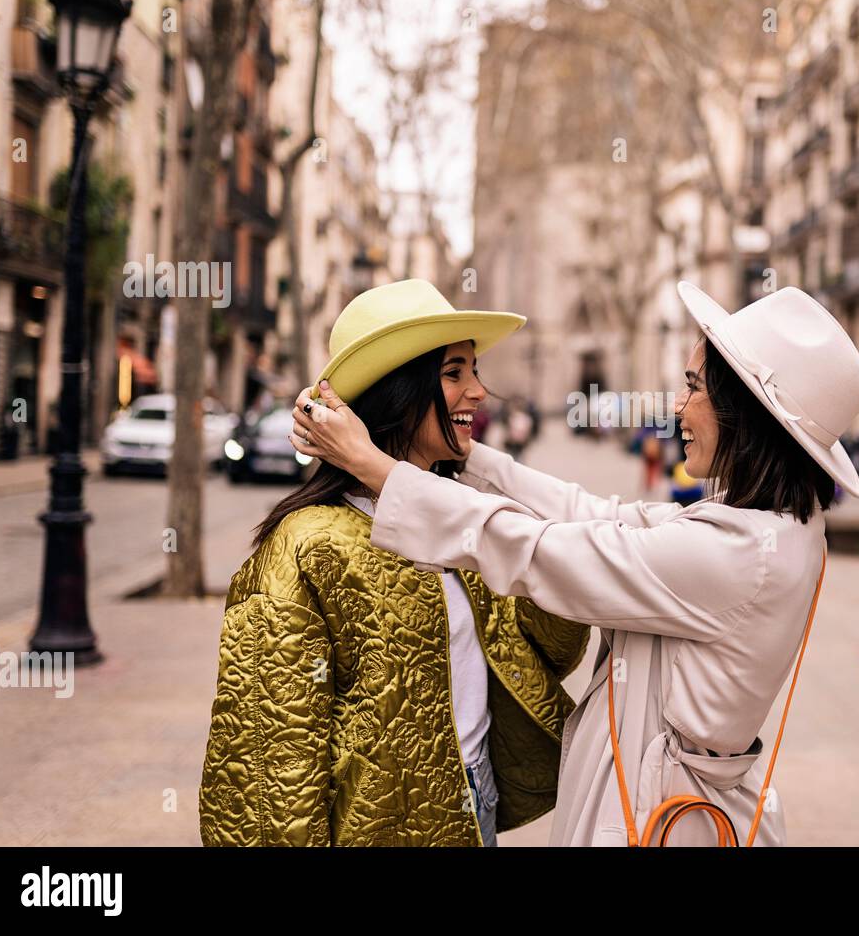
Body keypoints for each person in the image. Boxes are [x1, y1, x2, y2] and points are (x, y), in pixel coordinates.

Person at [291, 281, 859, 846]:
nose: (678, 406)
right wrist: (462, 450)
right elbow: (595, 515)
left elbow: (540, 552)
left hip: (662, 818)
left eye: (694, 387)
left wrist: (381, 470)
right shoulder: (766, 527)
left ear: (745, 413)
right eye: (453, 375)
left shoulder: (740, 555)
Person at [198, 279, 589, 846]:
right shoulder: (307, 546)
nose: (480, 392)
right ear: (399, 391)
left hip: (473, 810)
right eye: (455, 373)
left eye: (474, 371)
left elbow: (547, 650)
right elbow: (267, 778)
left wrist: (537, 533)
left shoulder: (461, 518)